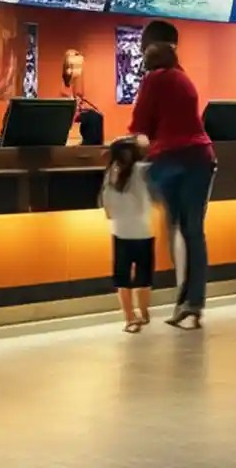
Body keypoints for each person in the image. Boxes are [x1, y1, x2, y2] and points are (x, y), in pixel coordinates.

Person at [129, 20, 217, 329]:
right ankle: (192, 303)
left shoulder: (154, 80)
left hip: (171, 161)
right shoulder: (183, 78)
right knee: (194, 231)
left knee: (173, 225)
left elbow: (140, 129)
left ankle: (183, 300)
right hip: (202, 159)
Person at [99, 137, 156, 334]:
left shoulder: (111, 174)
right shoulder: (142, 170)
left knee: (122, 279)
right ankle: (144, 312)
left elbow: (107, 209)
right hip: (143, 231)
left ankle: (129, 318)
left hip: (119, 231)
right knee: (143, 277)